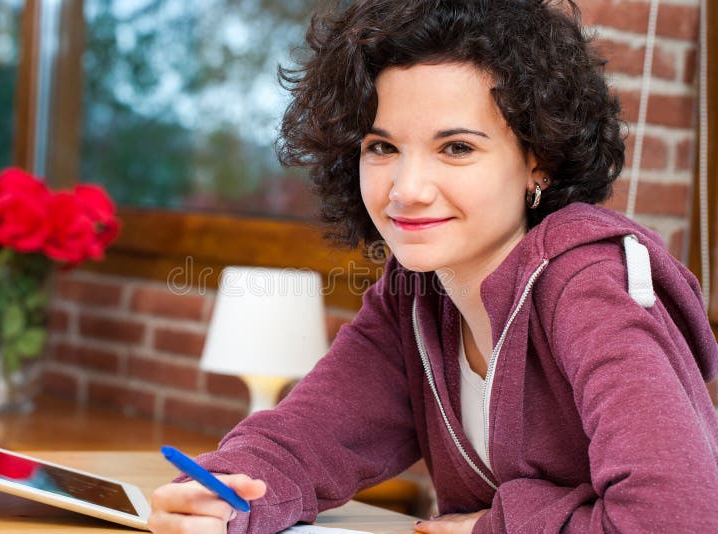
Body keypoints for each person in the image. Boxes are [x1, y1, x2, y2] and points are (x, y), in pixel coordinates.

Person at [148, 0, 718, 532]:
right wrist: (223, 493)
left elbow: (676, 517)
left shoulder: (591, 287)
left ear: (537, 161)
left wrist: (497, 525)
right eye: (382, 147)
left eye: (457, 148)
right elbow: (307, 437)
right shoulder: (415, 294)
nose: (408, 190)